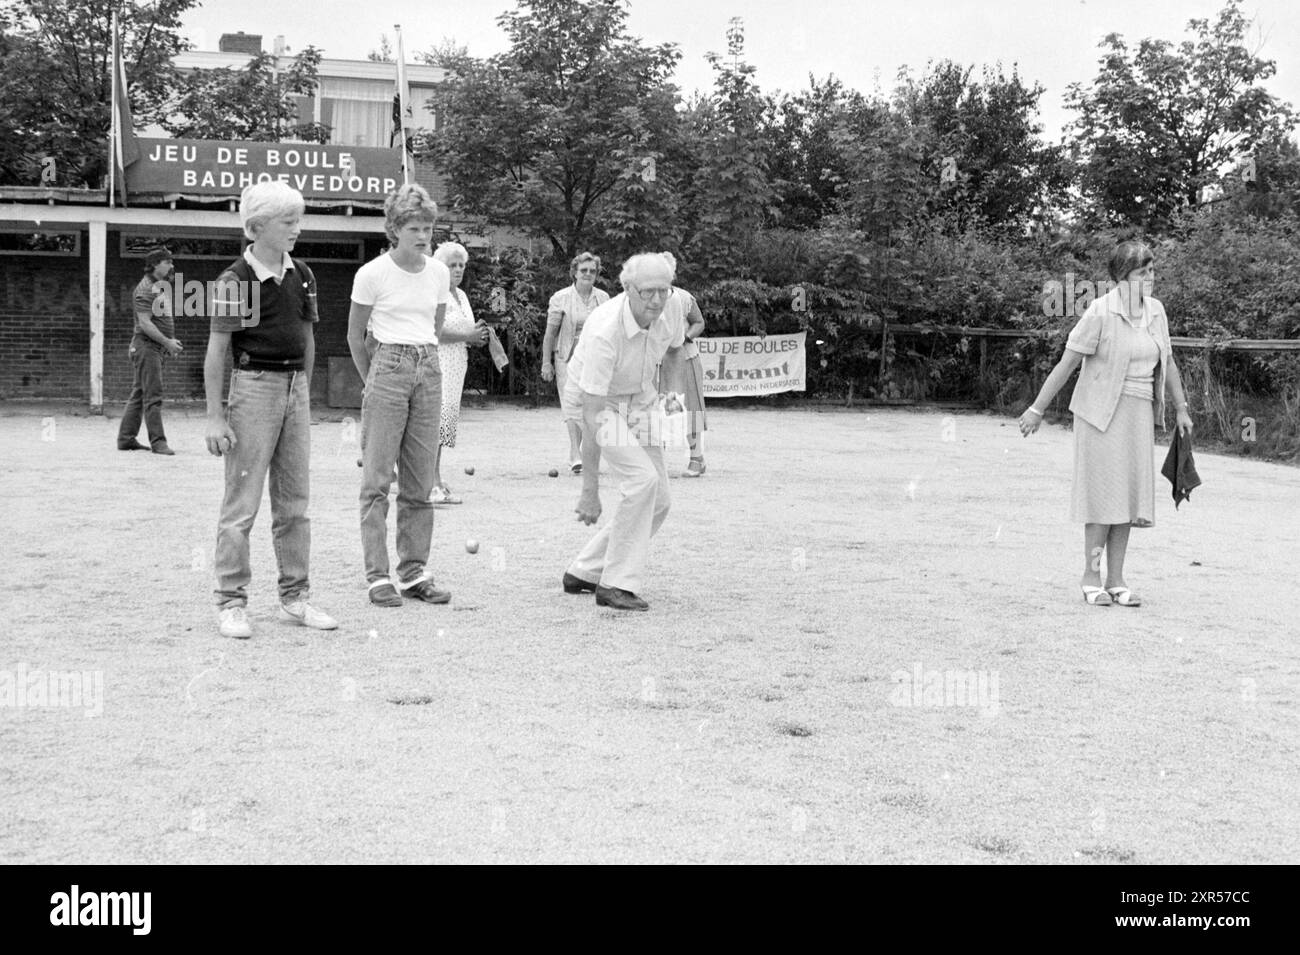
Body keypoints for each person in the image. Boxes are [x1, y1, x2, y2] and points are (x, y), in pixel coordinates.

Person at [1020, 239, 1194, 608]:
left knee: (1127, 500)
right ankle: (1090, 576)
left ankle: (1116, 579)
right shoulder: (1099, 311)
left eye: (1152, 270)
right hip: (1099, 415)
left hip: (1138, 413)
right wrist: (1036, 410)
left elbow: (1169, 362)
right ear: (1120, 277)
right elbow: (1066, 365)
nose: (1150, 277)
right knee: (1103, 499)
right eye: (1142, 272)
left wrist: (1181, 407)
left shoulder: (1157, 312)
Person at [204, 181, 337, 639]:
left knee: (295, 503)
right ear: (256, 227)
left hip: (295, 390)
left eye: (298, 220)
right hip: (252, 389)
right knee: (241, 504)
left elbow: (308, 338)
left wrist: (305, 393)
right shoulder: (233, 281)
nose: (297, 230)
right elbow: (217, 351)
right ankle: (231, 601)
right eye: (288, 222)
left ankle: (295, 597)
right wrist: (215, 415)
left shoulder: (303, 274)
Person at [346, 185, 487, 608]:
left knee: (420, 480)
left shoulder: (439, 273)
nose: (423, 236)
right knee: (376, 480)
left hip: (429, 367)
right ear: (394, 229)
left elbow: (435, 326)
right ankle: (377, 575)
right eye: (414, 228)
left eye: (427, 227)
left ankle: (413, 572)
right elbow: (355, 335)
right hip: (387, 365)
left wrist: (424, 365)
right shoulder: (372, 273)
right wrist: (372, 380)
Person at [559, 253, 687, 612]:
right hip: (601, 403)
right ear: (628, 289)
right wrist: (589, 491)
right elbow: (592, 413)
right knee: (642, 481)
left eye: (664, 290)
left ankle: (584, 571)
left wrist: (672, 408)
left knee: (660, 499)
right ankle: (616, 584)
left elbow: (676, 351)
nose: (658, 300)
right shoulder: (605, 329)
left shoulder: (671, 306)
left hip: (641, 400)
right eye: (648, 292)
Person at [429, 241, 490, 505]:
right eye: (451, 265)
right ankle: (430, 484)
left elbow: (464, 329)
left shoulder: (462, 295)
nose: (457, 270)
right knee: (433, 426)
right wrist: (468, 334)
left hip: (456, 366)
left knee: (444, 428)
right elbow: (433, 331)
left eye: (461, 265)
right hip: (437, 365)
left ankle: (435, 479)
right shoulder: (433, 292)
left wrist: (477, 335)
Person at [540, 252, 610, 473]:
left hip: (596, 359)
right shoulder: (560, 298)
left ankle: (582, 451)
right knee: (571, 402)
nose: (588, 274)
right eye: (583, 271)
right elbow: (550, 334)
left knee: (591, 405)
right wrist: (546, 363)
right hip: (567, 358)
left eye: (592, 271)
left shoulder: (604, 298)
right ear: (574, 273)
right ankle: (574, 452)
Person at [117, 247, 181, 454]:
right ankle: (158, 442)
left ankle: (126, 439)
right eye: (167, 262)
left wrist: (167, 342)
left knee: (139, 393)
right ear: (155, 264)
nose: (171, 266)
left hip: (152, 347)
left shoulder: (157, 286)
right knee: (153, 395)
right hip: (146, 347)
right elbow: (145, 323)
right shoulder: (145, 289)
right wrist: (167, 342)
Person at [656, 252, 709, 476]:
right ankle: (658, 462)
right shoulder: (646, 299)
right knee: (658, 409)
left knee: (691, 408)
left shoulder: (685, 297)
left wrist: (685, 336)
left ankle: (697, 458)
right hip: (657, 362)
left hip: (685, 359)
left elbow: (699, 322)